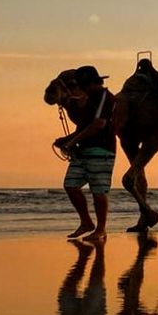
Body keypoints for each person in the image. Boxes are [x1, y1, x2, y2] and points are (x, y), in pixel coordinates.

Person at [54, 66, 116, 240]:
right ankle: (86, 222)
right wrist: (67, 139)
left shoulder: (105, 97)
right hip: (83, 150)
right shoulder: (87, 100)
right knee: (70, 185)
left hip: (102, 150)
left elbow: (98, 124)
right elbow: (84, 127)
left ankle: (101, 229)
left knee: (99, 191)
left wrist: (72, 141)